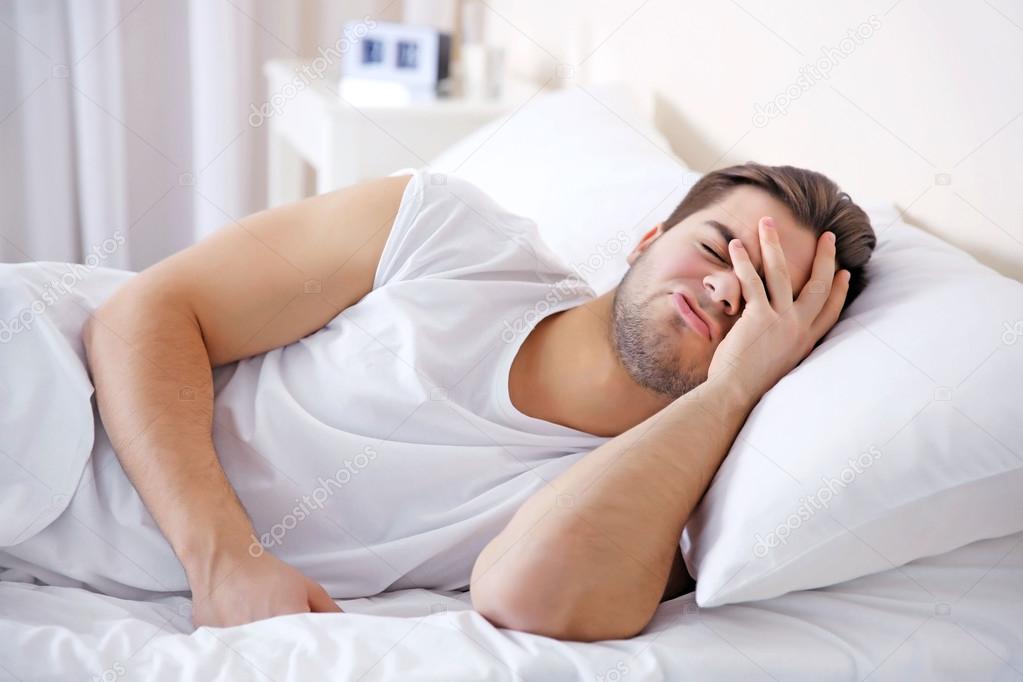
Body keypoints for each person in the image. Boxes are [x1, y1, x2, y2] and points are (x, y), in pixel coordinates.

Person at [0, 162, 875, 642]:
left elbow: (532, 596)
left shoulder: (658, 493)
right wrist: (224, 560)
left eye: (768, 297)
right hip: (45, 377)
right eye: (717, 249)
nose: (725, 288)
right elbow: (141, 317)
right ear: (648, 238)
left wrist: (731, 390)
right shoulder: (445, 232)